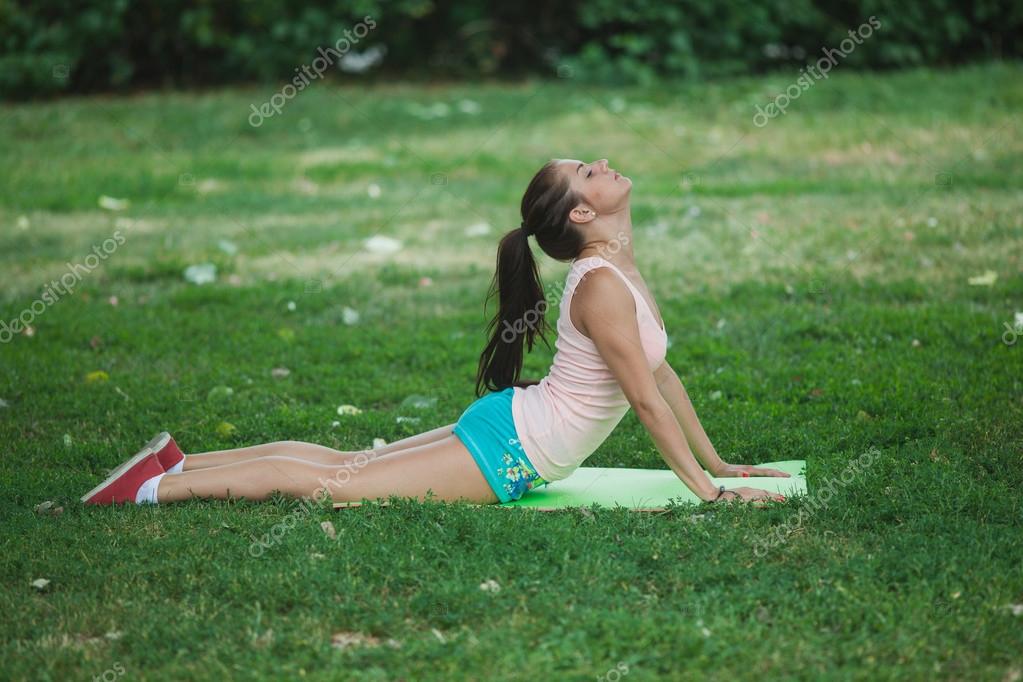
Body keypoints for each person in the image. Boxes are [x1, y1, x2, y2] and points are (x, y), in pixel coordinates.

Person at [81, 158, 788, 508]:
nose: (600, 164)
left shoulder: (619, 268)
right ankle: (152, 490)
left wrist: (718, 467)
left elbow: (662, 377)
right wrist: (708, 495)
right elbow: (643, 401)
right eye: (584, 171)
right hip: (513, 447)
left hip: (515, 426)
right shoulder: (601, 285)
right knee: (334, 484)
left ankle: (179, 461)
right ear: (578, 215)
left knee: (343, 459)